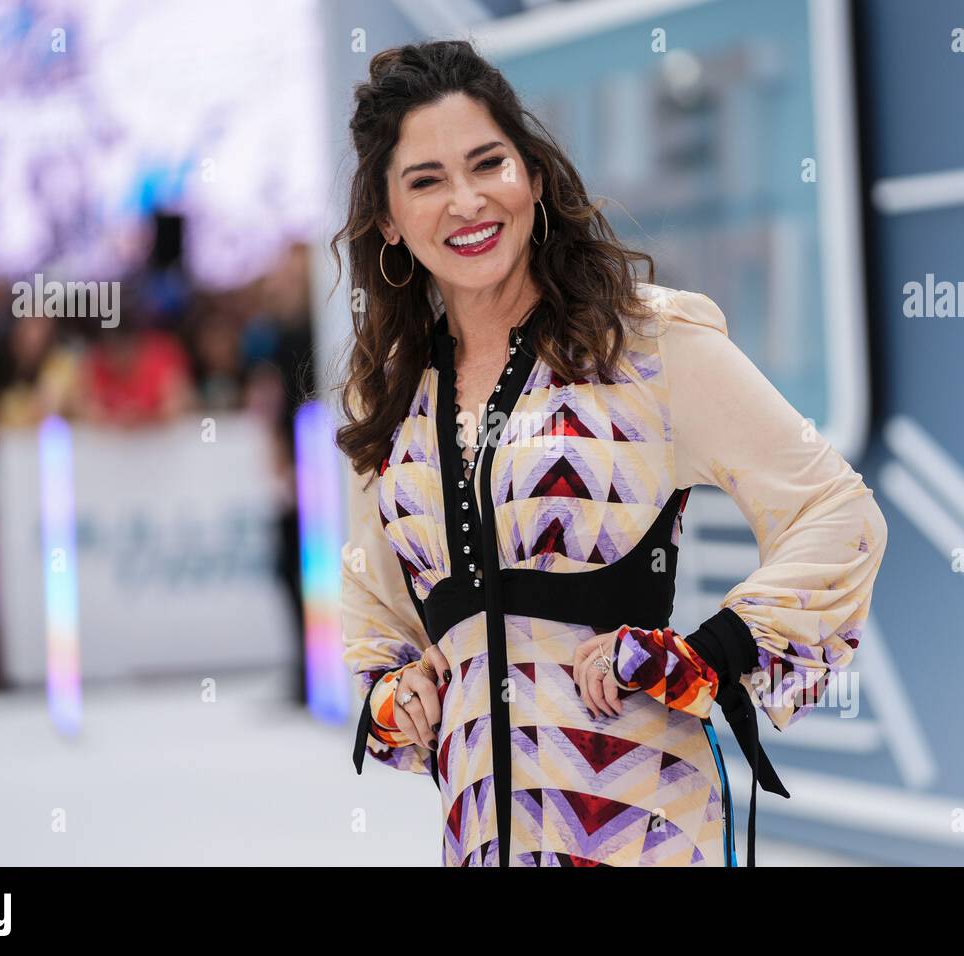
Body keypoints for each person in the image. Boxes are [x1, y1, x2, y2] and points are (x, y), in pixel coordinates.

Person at [333, 40, 888, 868]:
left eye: (490, 163)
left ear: (533, 176)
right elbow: (379, 622)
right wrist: (394, 694)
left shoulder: (648, 345)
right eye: (426, 181)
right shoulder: (388, 405)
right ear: (388, 220)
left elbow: (837, 512)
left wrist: (714, 653)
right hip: (480, 839)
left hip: (645, 827)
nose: (468, 199)